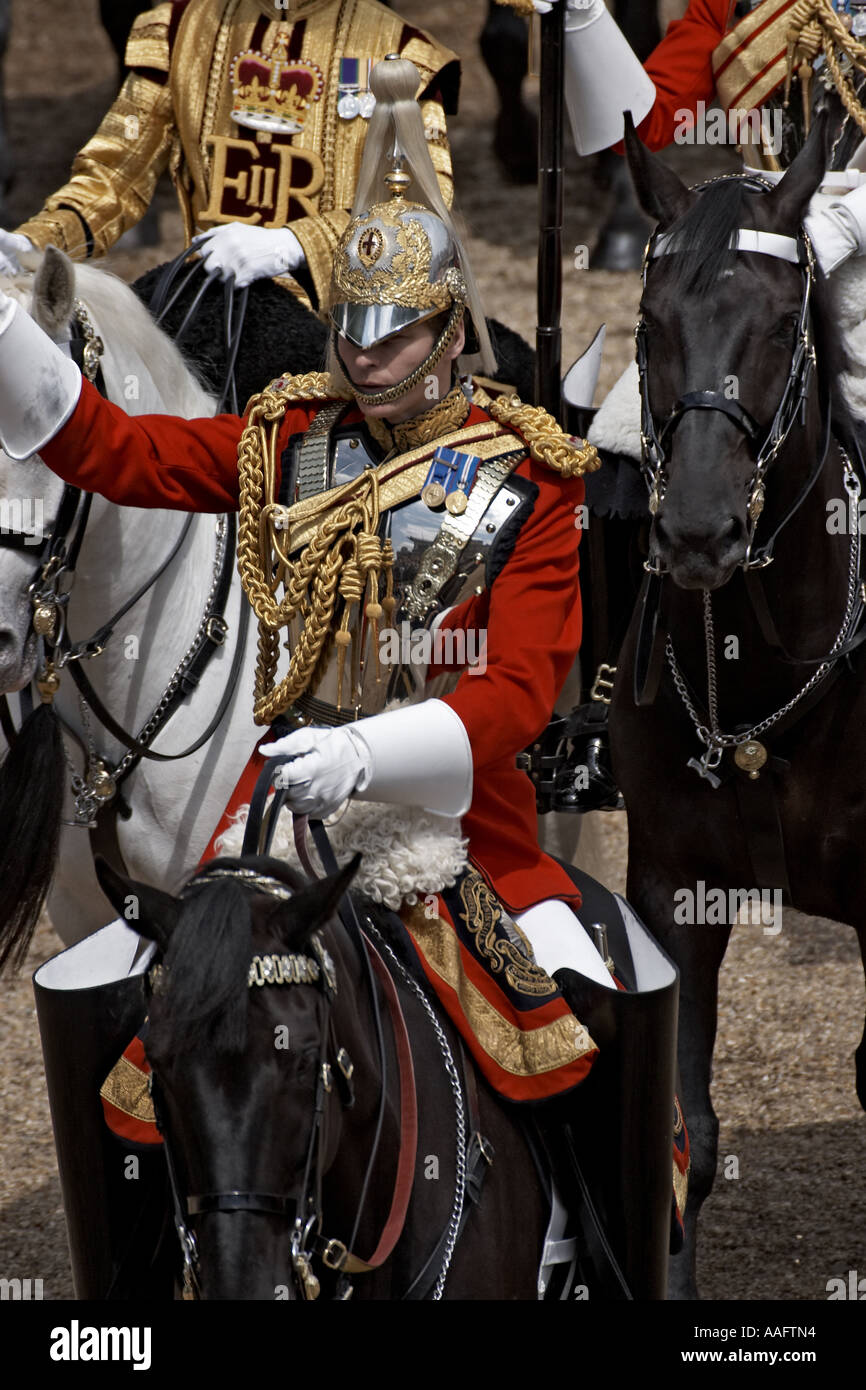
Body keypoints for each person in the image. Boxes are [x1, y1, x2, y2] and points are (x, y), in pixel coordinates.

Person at [0, 0, 459, 308]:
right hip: (206, 310)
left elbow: (422, 211)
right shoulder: (180, 31)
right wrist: (35, 243)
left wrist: (297, 245)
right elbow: (113, 178)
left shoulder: (399, 49)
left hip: (346, 333)